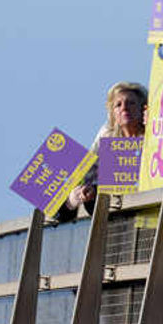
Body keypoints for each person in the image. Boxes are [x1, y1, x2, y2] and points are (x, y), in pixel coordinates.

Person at [55, 82, 147, 222]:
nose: (124, 108)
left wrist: (154, 124)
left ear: (143, 108)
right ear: (112, 113)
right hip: (120, 221)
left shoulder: (155, 131)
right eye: (118, 105)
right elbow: (86, 171)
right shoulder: (107, 136)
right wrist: (82, 194)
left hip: (150, 208)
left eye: (131, 103)